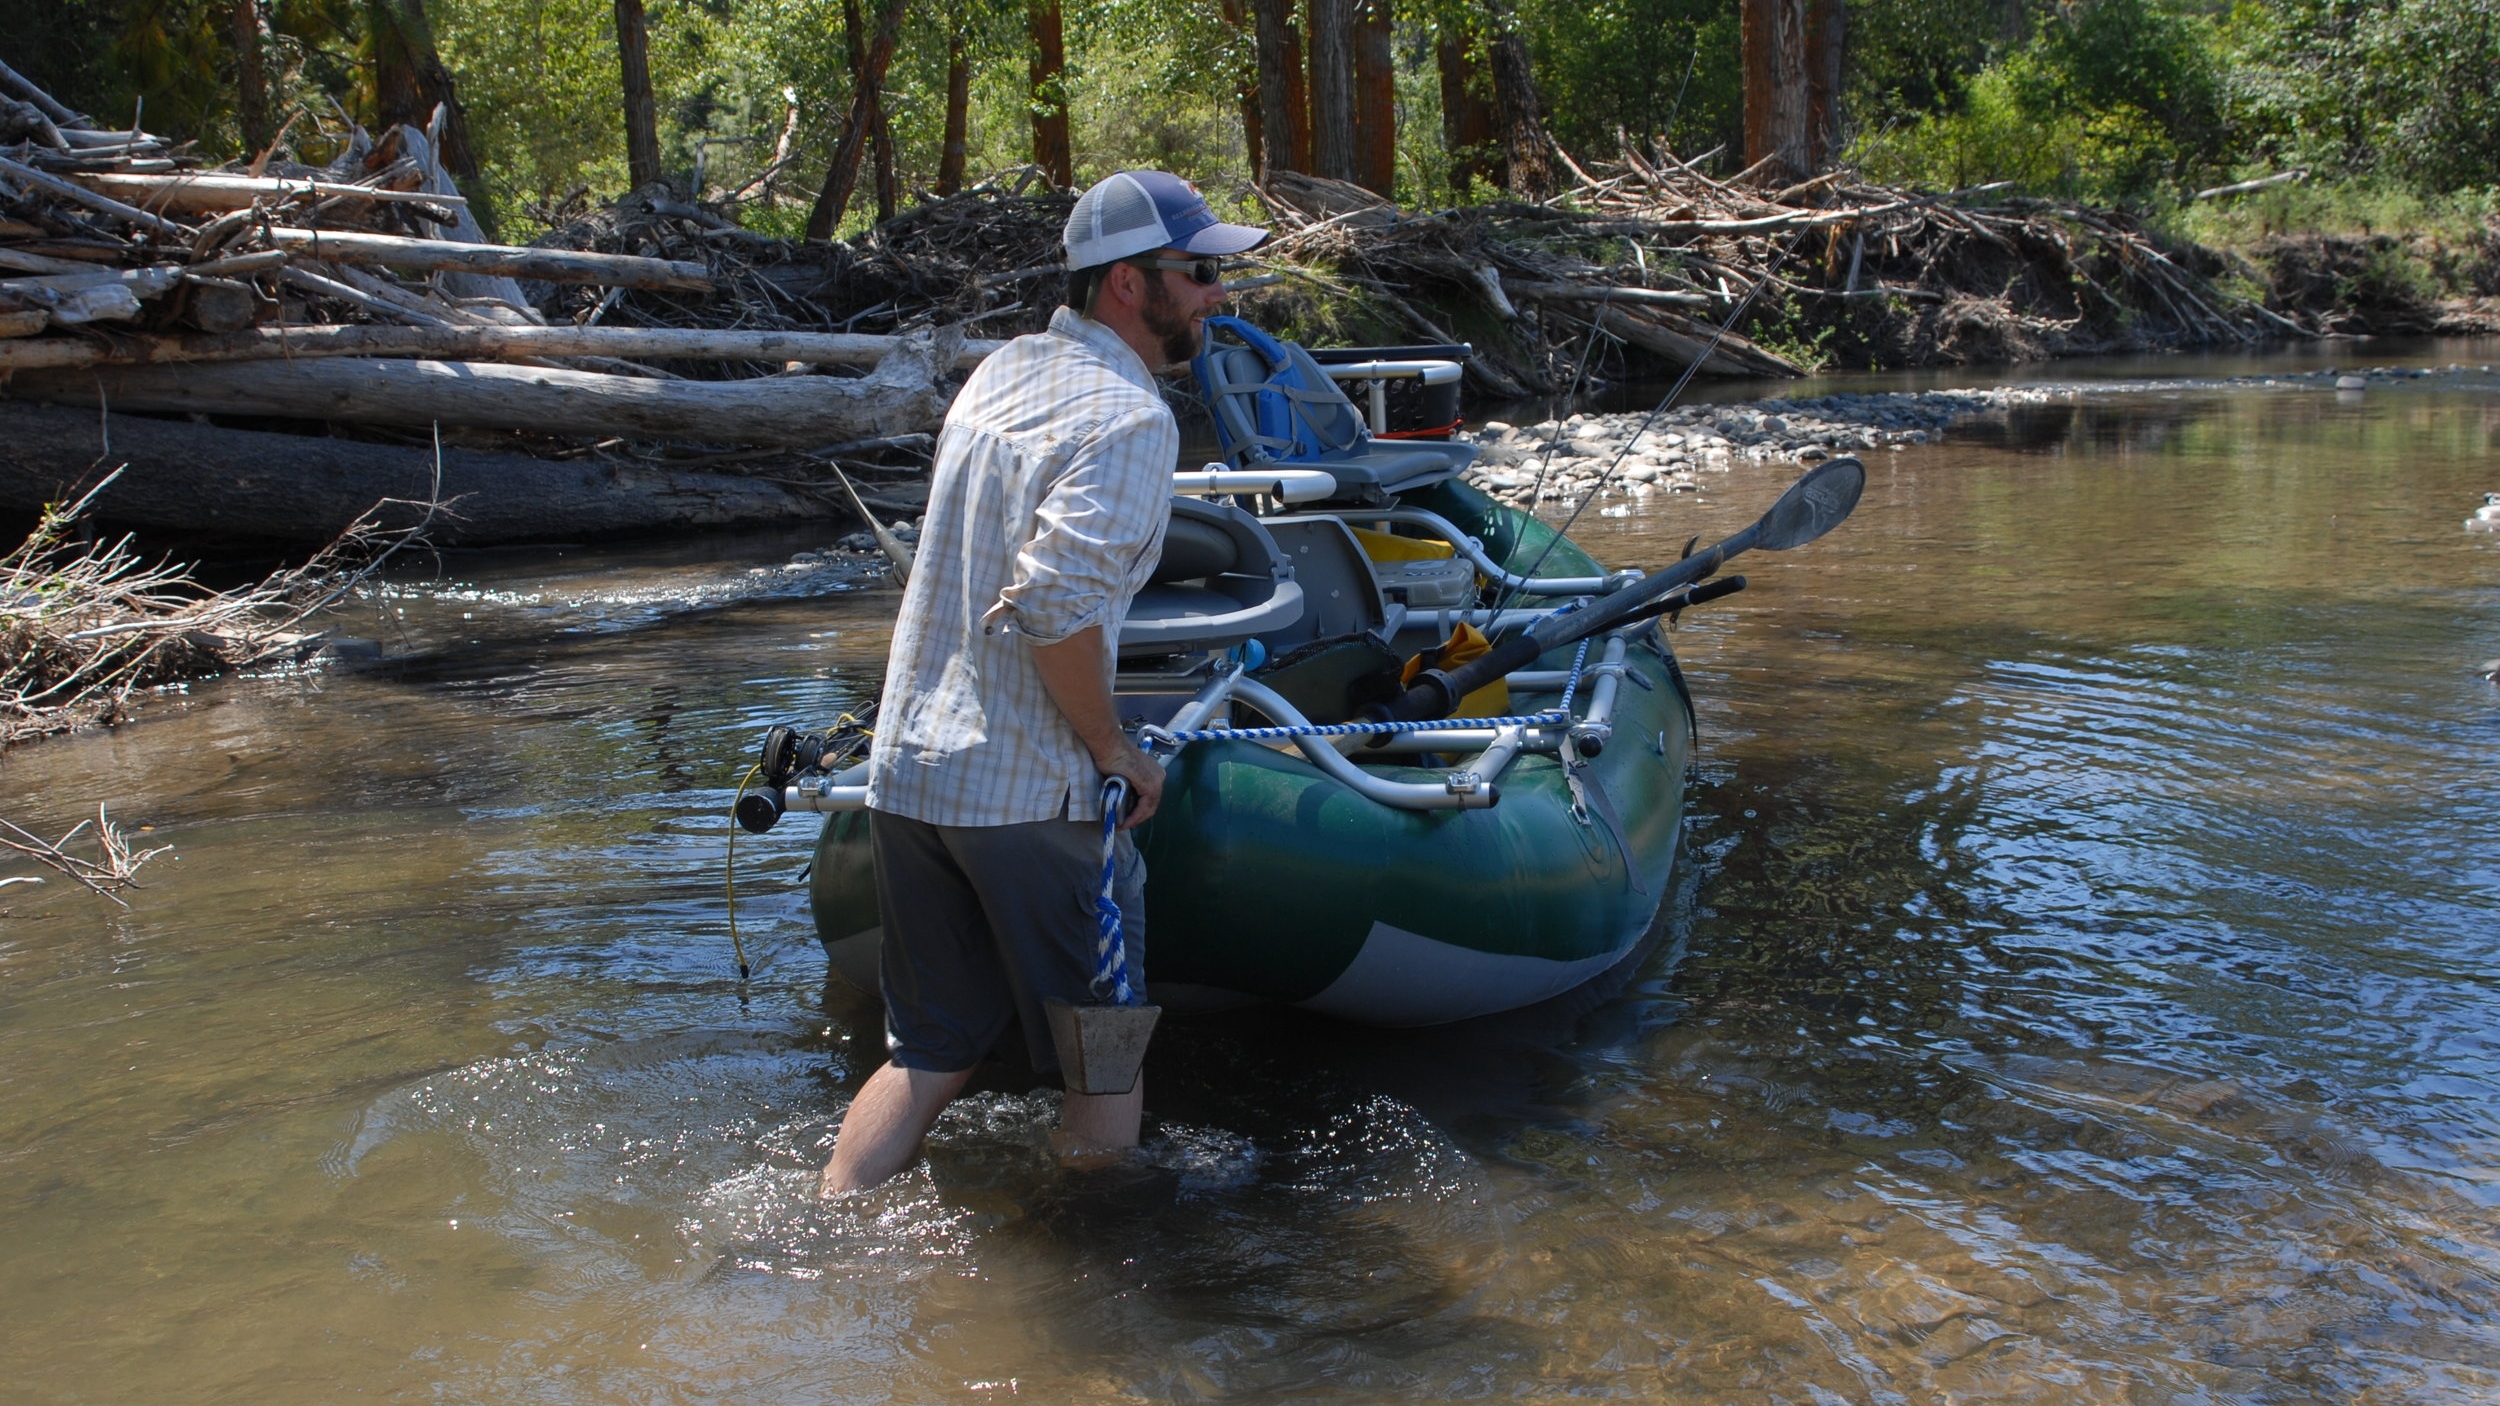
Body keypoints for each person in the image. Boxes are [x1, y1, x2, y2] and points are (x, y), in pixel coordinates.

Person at [820, 171, 1265, 1196]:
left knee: (928, 1049)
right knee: (1104, 1059)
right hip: (1028, 794)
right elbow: (1054, 605)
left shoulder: (1002, 373)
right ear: (1124, 284)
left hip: (910, 778)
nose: (1216, 293)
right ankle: (1086, 1298)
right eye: (1198, 273)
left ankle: (827, 1224)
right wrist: (1114, 747)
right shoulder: (1132, 420)